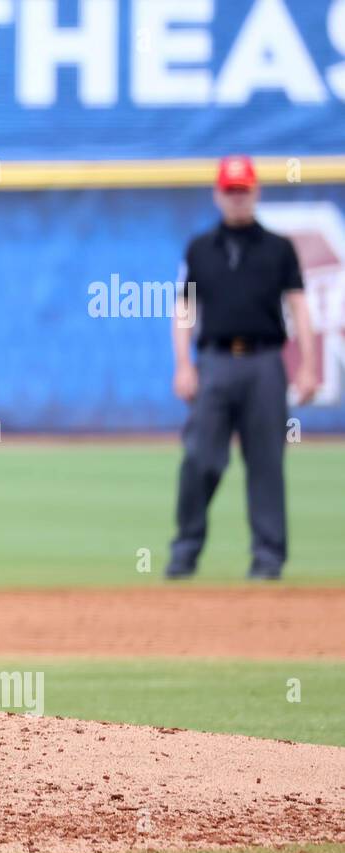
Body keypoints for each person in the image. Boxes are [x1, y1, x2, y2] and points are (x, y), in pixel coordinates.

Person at [167, 156, 319, 581]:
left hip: (265, 362)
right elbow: (184, 308)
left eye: (244, 190)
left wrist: (307, 366)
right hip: (214, 361)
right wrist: (183, 364)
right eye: (230, 191)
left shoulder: (279, 248)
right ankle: (185, 552)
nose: (237, 198)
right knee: (200, 458)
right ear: (218, 194)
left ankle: (267, 559)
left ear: (256, 192)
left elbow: (299, 307)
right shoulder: (199, 249)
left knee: (266, 462)